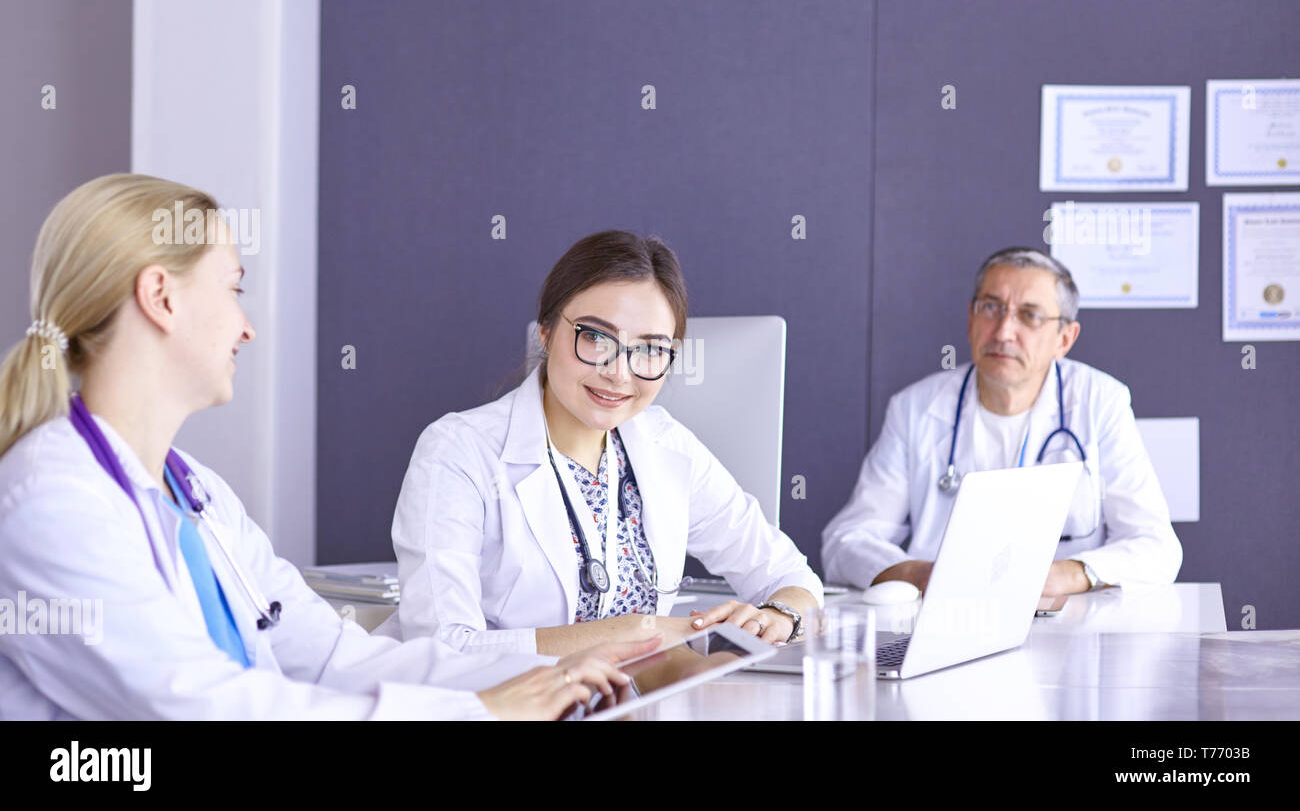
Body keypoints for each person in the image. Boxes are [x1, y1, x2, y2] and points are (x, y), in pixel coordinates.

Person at [0, 174, 653, 720]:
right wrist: (480, 712)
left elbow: (335, 656)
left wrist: (547, 672)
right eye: (233, 289)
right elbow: (197, 703)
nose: (247, 327)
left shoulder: (194, 492)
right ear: (160, 297)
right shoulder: (51, 503)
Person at [389, 230, 823, 657]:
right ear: (545, 331)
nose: (620, 373)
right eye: (596, 338)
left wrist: (780, 616)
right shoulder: (458, 451)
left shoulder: (666, 445)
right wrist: (627, 633)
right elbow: (442, 648)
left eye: (650, 349)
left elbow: (791, 576)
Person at [822, 247, 1182, 595]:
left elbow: (1156, 546)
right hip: (943, 616)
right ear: (970, 318)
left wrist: (1068, 575)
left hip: (1065, 622)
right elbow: (846, 541)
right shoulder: (915, 408)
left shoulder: (1100, 402)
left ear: (1064, 339)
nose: (1004, 331)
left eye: (1030, 315)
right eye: (991, 308)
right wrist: (919, 575)